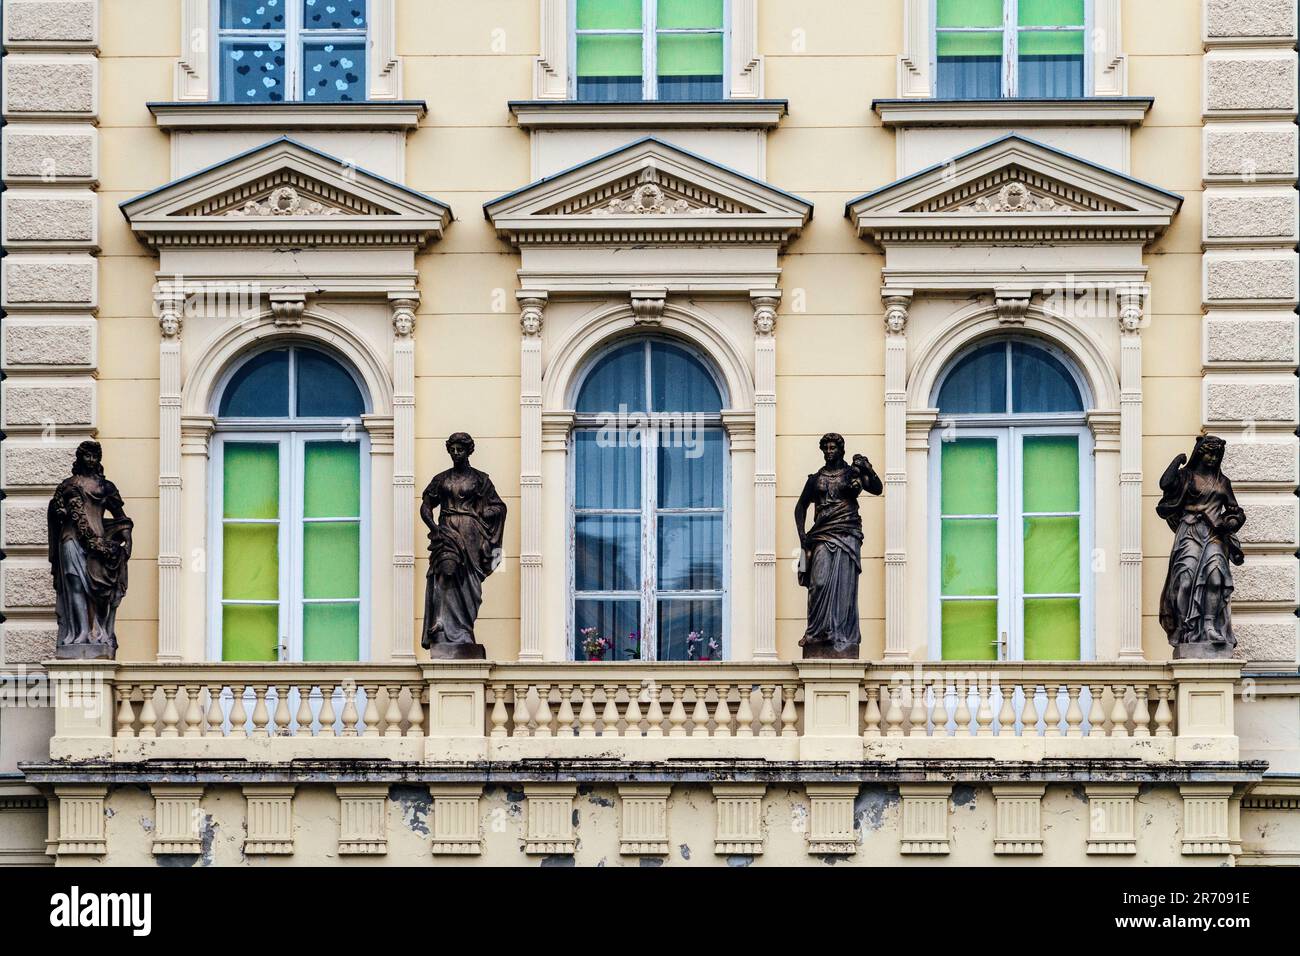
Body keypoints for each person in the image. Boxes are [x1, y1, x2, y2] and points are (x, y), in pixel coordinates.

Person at [1155, 434, 1246, 658]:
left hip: (1214, 535)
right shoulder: (1186, 476)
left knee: (1216, 577)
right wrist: (1177, 462)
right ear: (1199, 453)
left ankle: (1208, 626)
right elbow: (1166, 484)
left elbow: (1236, 511)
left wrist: (1228, 522)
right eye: (1208, 453)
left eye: (1216, 454)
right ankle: (1186, 628)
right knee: (1184, 580)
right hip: (1189, 533)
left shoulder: (1222, 482)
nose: (1213, 458)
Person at [794, 432, 882, 658]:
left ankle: (842, 637)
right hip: (822, 534)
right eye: (826, 448)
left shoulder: (852, 472)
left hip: (847, 532)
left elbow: (877, 488)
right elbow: (800, 506)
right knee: (819, 583)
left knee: (845, 587)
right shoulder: (816, 479)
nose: (829, 451)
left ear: (841, 449)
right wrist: (802, 535)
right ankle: (815, 634)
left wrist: (867, 468)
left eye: (833, 447)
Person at [420, 433, 507, 658]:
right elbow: (426, 506)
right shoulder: (441, 479)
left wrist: (483, 513)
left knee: (470, 585)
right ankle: (440, 627)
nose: (456, 453)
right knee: (443, 573)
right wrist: (434, 527)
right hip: (447, 531)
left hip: (472, 534)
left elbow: (499, 507)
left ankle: (464, 631)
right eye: (453, 449)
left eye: (460, 449)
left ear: (469, 451)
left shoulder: (480, 479)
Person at [48, 440, 133, 659]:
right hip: (70, 539)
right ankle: (79, 632)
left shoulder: (106, 487)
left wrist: (125, 534)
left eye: (95, 456)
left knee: (96, 591)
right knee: (74, 583)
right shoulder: (67, 486)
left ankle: (96, 631)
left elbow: (121, 517)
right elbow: (55, 514)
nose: (91, 460)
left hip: (98, 544)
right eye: (87, 456)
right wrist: (60, 513)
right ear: (80, 458)